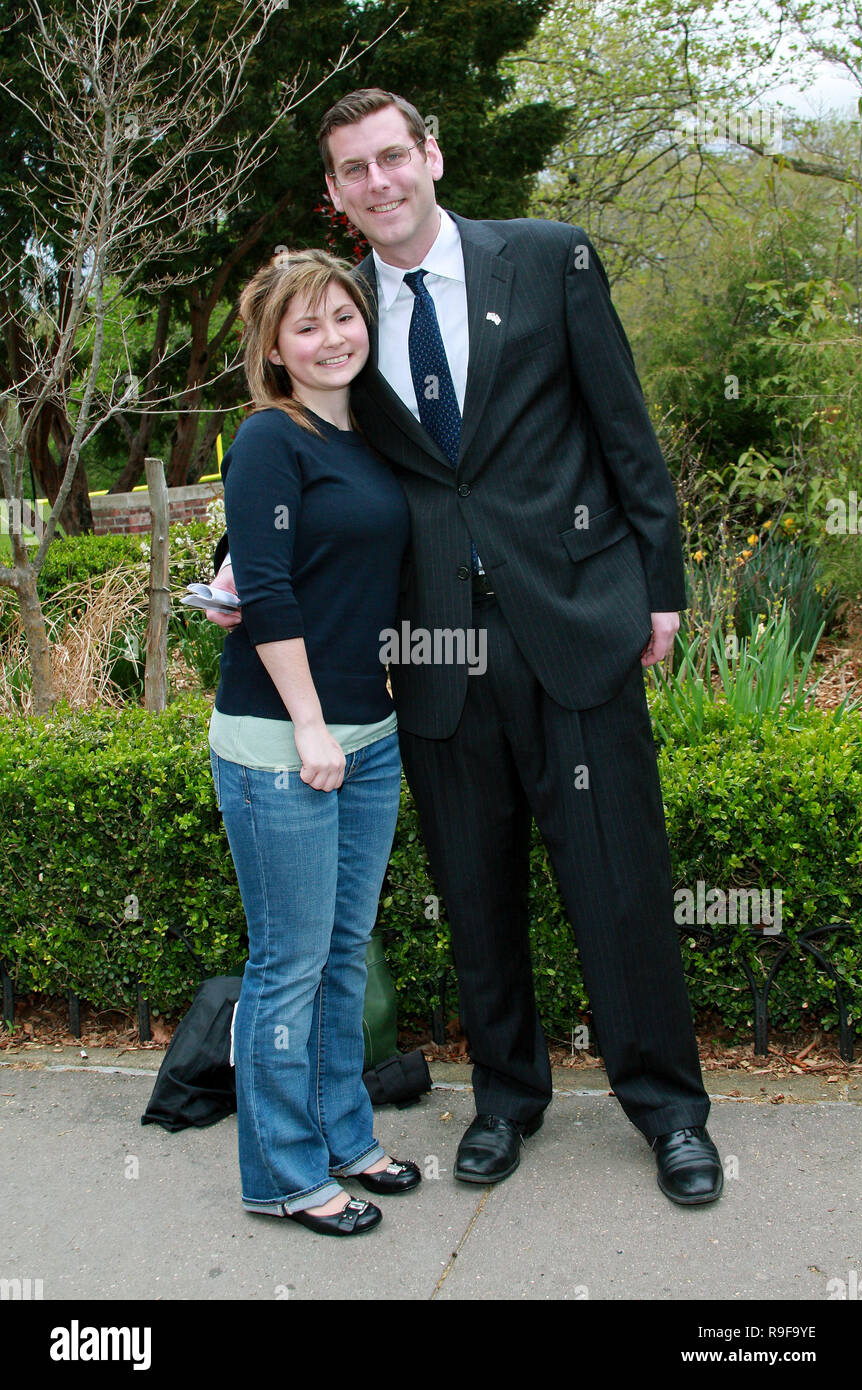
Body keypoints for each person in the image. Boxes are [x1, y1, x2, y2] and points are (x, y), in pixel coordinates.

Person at [214, 88, 724, 1205]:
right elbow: (305, 460)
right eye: (354, 169)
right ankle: (505, 1099)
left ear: (430, 155)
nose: (379, 181)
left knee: (619, 886)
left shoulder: (547, 261)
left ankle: (667, 1110)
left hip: (576, 626)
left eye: (392, 155)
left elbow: (624, 430)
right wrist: (232, 560)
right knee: (475, 897)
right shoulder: (346, 313)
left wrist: (658, 586)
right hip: (435, 652)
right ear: (337, 195)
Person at [207, 246, 419, 1237]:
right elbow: (270, 591)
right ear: (273, 349)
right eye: (306, 325)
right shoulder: (267, 438)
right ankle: (282, 1172)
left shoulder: (373, 438)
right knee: (286, 962)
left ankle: (344, 1132)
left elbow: (280, 559)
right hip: (280, 737)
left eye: (344, 315)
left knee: (341, 954)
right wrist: (305, 726)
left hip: (368, 734)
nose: (332, 336)